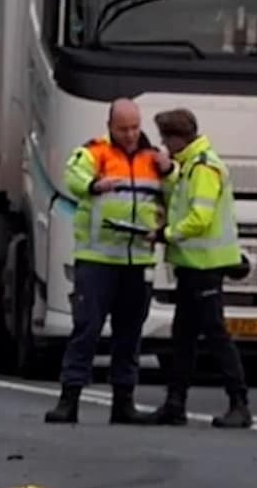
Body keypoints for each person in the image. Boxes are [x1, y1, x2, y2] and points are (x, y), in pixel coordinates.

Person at [44, 98, 169, 426]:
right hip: (97, 258)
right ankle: (69, 399)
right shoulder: (95, 152)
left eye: (135, 127)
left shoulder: (152, 158)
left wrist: (170, 168)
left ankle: (123, 402)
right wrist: (93, 185)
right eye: (123, 128)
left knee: (130, 334)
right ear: (110, 126)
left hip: (138, 259)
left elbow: (174, 187)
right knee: (86, 329)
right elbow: (72, 176)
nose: (130, 134)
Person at [146, 108, 252, 430]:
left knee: (215, 335)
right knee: (184, 336)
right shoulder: (191, 166)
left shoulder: (205, 168)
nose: (164, 144)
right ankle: (175, 403)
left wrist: (164, 235)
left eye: (166, 138)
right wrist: (166, 175)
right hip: (191, 266)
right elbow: (178, 195)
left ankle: (240, 403)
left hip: (207, 267)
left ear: (178, 138)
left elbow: (199, 219)